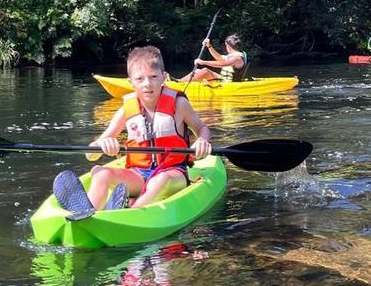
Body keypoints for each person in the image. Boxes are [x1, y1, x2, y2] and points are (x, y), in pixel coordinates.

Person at [52, 45, 212, 218]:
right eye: (140, 79)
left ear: (163, 78)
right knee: (100, 172)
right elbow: (91, 156)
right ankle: (87, 214)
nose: (147, 84)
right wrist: (102, 145)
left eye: (153, 77)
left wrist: (202, 141)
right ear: (131, 82)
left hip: (173, 173)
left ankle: (128, 214)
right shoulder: (126, 110)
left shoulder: (179, 105)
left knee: (160, 180)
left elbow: (202, 128)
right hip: (138, 173)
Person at [179, 34, 248, 83]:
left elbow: (223, 64)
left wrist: (203, 62)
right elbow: (220, 58)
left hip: (229, 84)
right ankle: (179, 81)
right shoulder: (233, 55)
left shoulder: (237, 58)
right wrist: (209, 46)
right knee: (197, 70)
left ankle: (178, 84)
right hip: (223, 79)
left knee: (205, 71)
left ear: (228, 46)